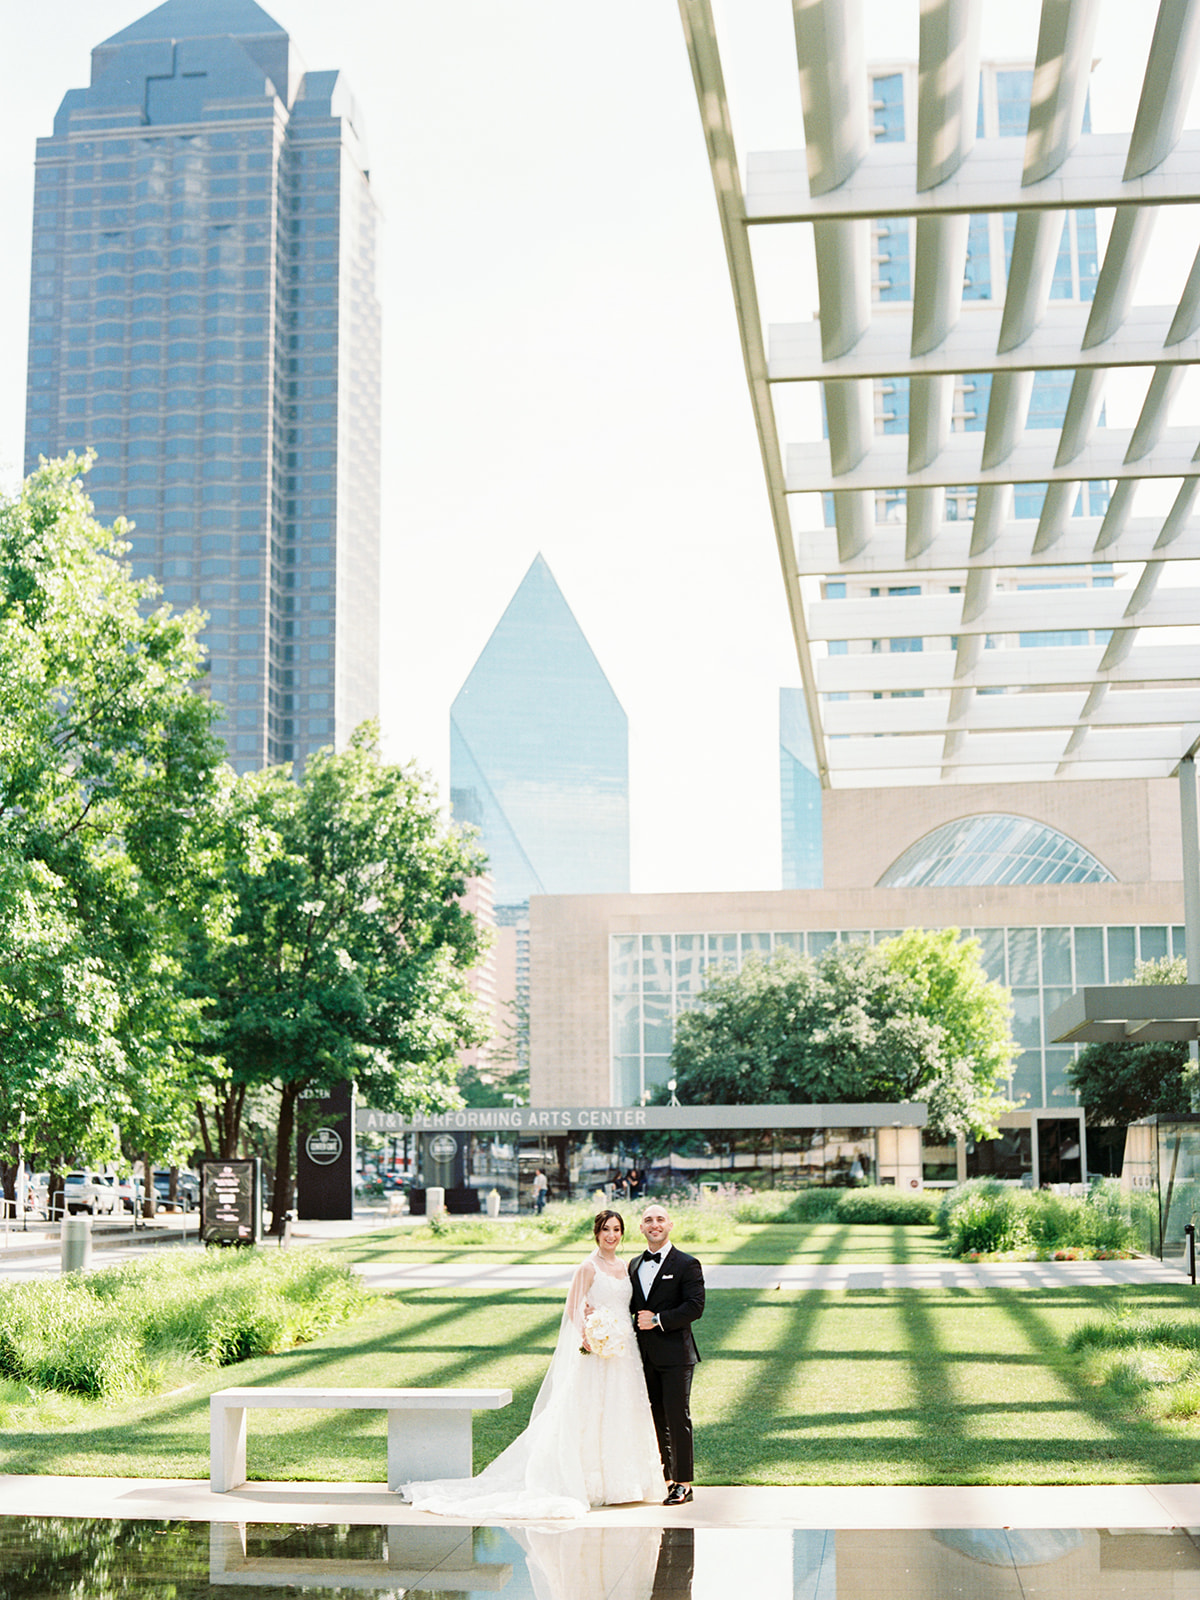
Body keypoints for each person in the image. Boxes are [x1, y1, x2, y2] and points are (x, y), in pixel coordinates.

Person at [403, 1209, 666, 1518]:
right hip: (597, 1350)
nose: (611, 1235)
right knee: (592, 1410)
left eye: (617, 1229)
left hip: (625, 1351)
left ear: (623, 1233)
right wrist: (588, 1335)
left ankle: (628, 1484)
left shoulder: (626, 1266)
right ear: (596, 1232)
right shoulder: (587, 1267)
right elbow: (573, 1307)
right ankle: (592, 1484)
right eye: (606, 1229)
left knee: (623, 1409)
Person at [629, 1202, 705, 1505]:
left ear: (670, 1225)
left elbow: (695, 1306)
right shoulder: (634, 1264)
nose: (654, 1224)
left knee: (677, 1417)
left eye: (660, 1219)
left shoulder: (687, 1264)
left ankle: (684, 1483)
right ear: (642, 1227)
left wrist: (658, 1320)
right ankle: (666, 1478)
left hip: (676, 1356)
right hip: (643, 1357)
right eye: (648, 1220)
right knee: (655, 1418)